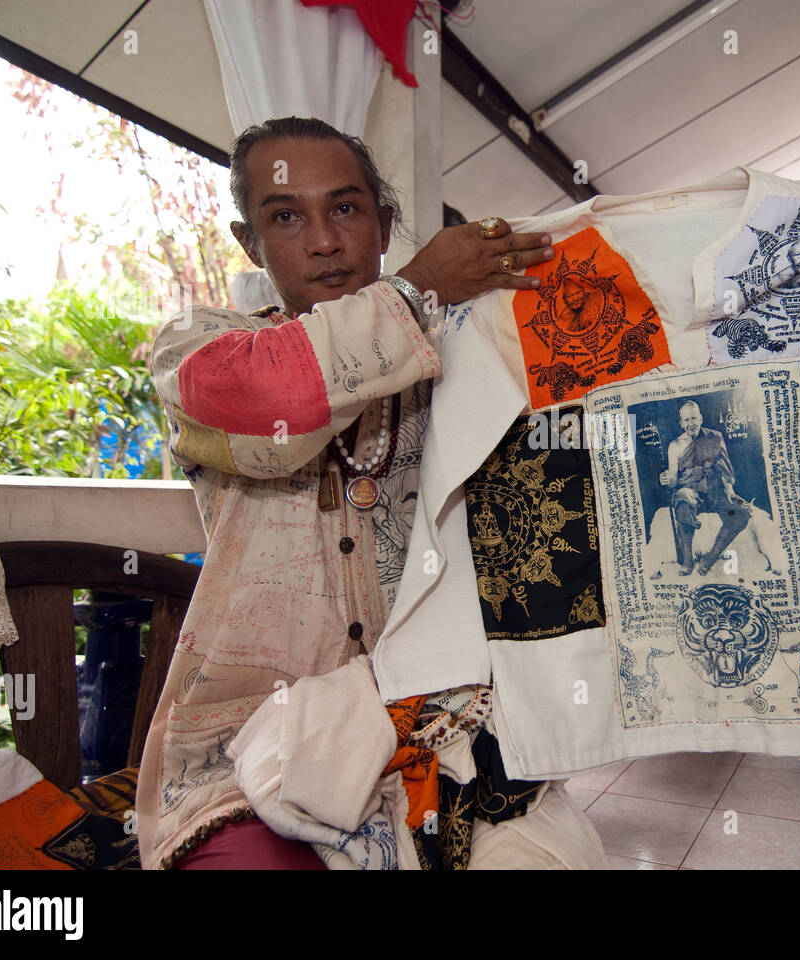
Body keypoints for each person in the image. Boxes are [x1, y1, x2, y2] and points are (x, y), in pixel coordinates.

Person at [136, 116, 610, 870]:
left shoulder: (463, 358)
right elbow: (270, 402)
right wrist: (417, 285)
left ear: (384, 223)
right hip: (250, 741)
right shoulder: (197, 351)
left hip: (442, 727)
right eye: (286, 217)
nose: (324, 240)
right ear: (248, 241)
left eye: (347, 209)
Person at [660, 401, 749, 576]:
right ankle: (687, 561)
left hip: (716, 490)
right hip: (692, 492)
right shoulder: (675, 445)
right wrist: (664, 479)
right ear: (681, 422)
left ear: (700, 418)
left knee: (742, 512)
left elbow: (725, 468)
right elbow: (673, 481)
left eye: (693, 418)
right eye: (686, 420)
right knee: (683, 497)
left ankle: (709, 559)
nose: (690, 424)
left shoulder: (715, 437)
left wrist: (730, 491)